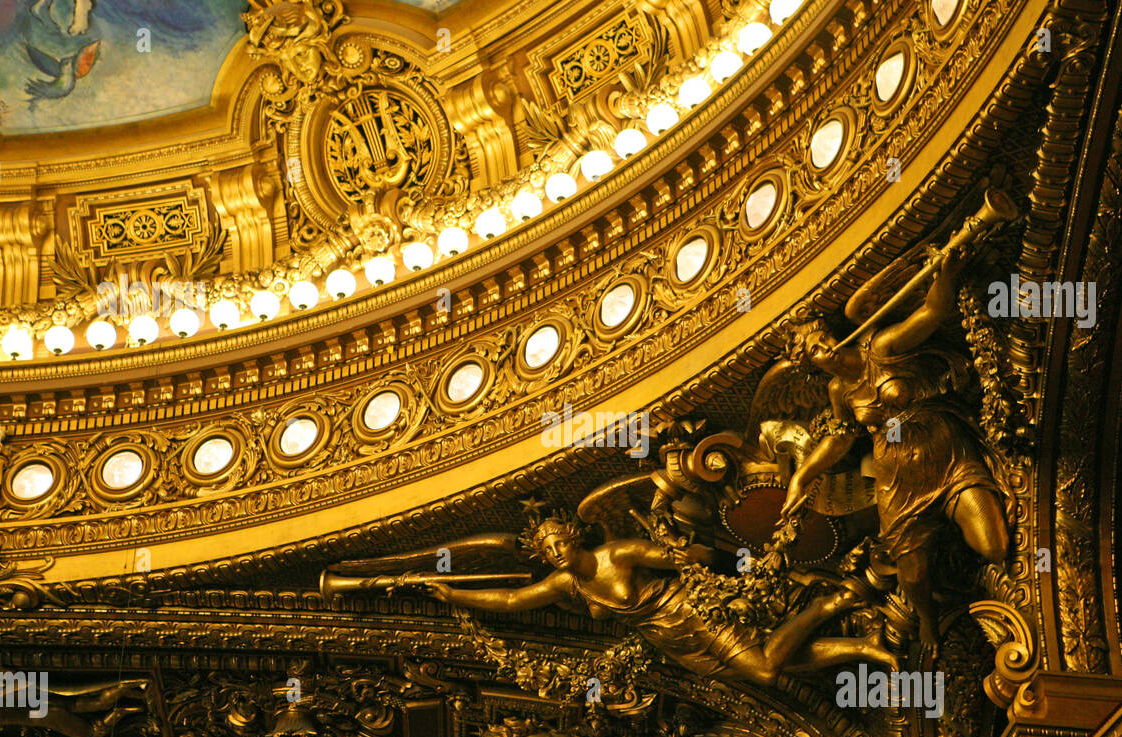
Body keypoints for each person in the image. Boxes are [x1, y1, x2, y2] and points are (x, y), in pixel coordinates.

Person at [779, 246, 1010, 650]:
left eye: (825, 338)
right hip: (897, 479)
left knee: (994, 546)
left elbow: (931, 315)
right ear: (810, 364)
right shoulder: (840, 390)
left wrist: (945, 274)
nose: (826, 348)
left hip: (947, 456)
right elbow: (841, 436)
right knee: (914, 574)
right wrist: (804, 474)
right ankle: (926, 620)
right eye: (815, 350)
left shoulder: (881, 348)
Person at [424, 515, 897, 686]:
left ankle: (828, 607)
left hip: (696, 613)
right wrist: (454, 594)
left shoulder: (620, 553)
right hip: (672, 642)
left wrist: (682, 545)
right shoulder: (564, 585)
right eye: (545, 551)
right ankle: (861, 648)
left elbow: (687, 558)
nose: (554, 554)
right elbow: (511, 600)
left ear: (573, 536)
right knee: (777, 662)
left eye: (558, 543)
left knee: (765, 670)